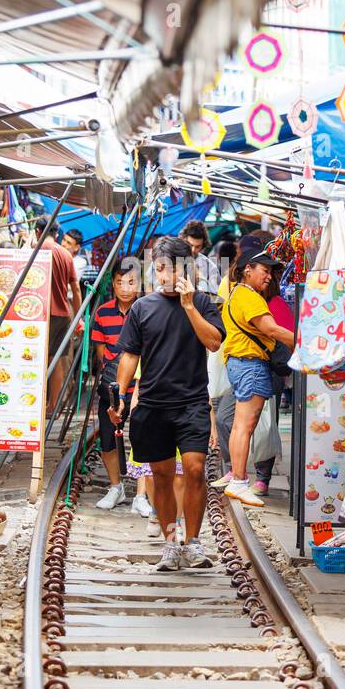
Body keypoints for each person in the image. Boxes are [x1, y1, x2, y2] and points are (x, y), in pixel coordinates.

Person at [109, 236, 224, 571]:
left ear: (184, 267)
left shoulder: (203, 303)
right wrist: (120, 397)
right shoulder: (142, 308)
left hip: (192, 403)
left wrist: (189, 306)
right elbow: (129, 357)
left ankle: (193, 542)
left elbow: (214, 343)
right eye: (158, 269)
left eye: (167, 268)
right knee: (160, 475)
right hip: (154, 406)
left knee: (195, 470)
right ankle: (171, 542)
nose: (162, 275)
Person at [214, 245, 295, 508]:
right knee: (245, 426)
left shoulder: (239, 293)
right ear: (247, 269)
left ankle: (238, 479)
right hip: (250, 365)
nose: (269, 276)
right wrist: (307, 342)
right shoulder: (248, 296)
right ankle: (239, 481)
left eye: (272, 272)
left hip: (242, 363)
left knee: (241, 425)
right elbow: (270, 328)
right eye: (264, 270)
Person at [91, 261, 153, 516]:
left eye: (131, 282)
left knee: (142, 440)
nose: (125, 288)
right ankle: (116, 488)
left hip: (142, 387)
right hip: (111, 387)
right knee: (107, 439)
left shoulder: (149, 311)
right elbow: (100, 354)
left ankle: (141, 495)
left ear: (140, 285)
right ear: (112, 284)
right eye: (119, 282)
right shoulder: (102, 313)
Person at [38, 215, 82, 414]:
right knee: (55, 360)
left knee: (36, 359)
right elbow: (76, 289)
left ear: (38, 232)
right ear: (56, 234)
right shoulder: (65, 254)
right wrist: (78, 316)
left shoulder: (36, 250)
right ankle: (52, 406)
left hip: (40, 313)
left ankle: (34, 406)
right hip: (63, 313)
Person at [181, 219, 221, 294]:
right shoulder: (171, 258)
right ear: (183, 240)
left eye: (197, 247)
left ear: (203, 246)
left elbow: (216, 297)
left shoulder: (210, 267)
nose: (193, 250)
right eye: (190, 245)